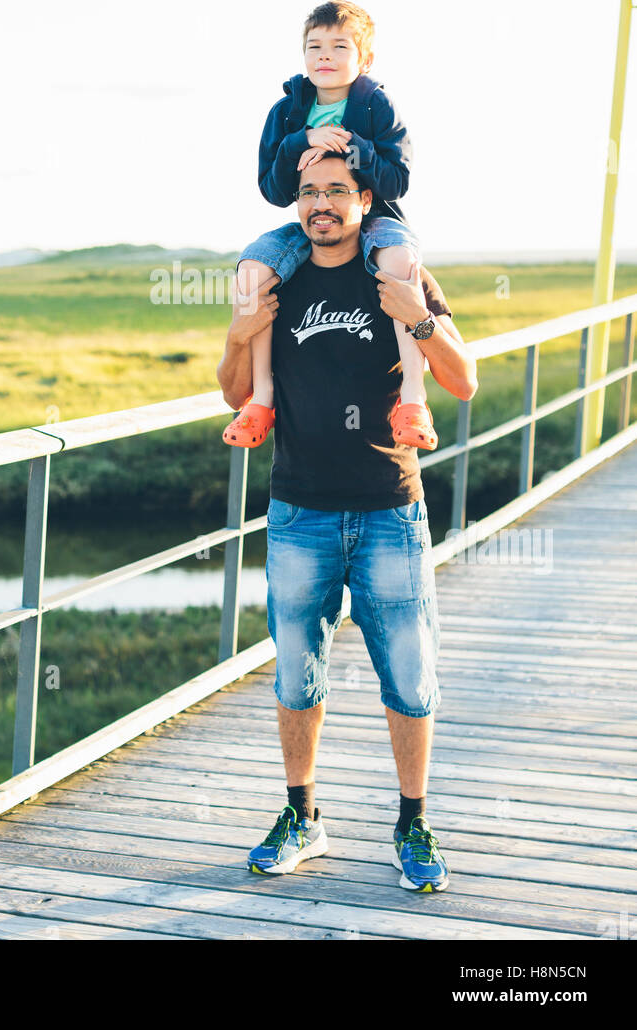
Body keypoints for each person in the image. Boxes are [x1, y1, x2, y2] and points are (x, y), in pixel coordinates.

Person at [216, 151, 478, 889]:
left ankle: (413, 822)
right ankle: (304, 815)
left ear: (366, 199)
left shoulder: (397, 270)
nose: (320, 204)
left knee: (409, 673)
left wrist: (420, 320)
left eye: (336, 191)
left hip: (391, 508)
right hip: (299, 510)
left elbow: (464, 381)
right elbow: (231, 391)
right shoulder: (277, 276)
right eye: (308, 193)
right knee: (297, 674)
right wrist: (239, 332)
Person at [222, 0, 439, 453]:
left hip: (372, 216)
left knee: (401, 259)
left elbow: (396, 181)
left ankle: (413, 399)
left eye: (340, 46)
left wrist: (351, 147)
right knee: (250, 273)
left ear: (365, 59)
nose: (325, 55)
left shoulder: (376, 105)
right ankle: (261, 397)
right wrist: (301, 140)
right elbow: (274, 188)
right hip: (309, 216)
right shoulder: (287, 110)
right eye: (314, 46)